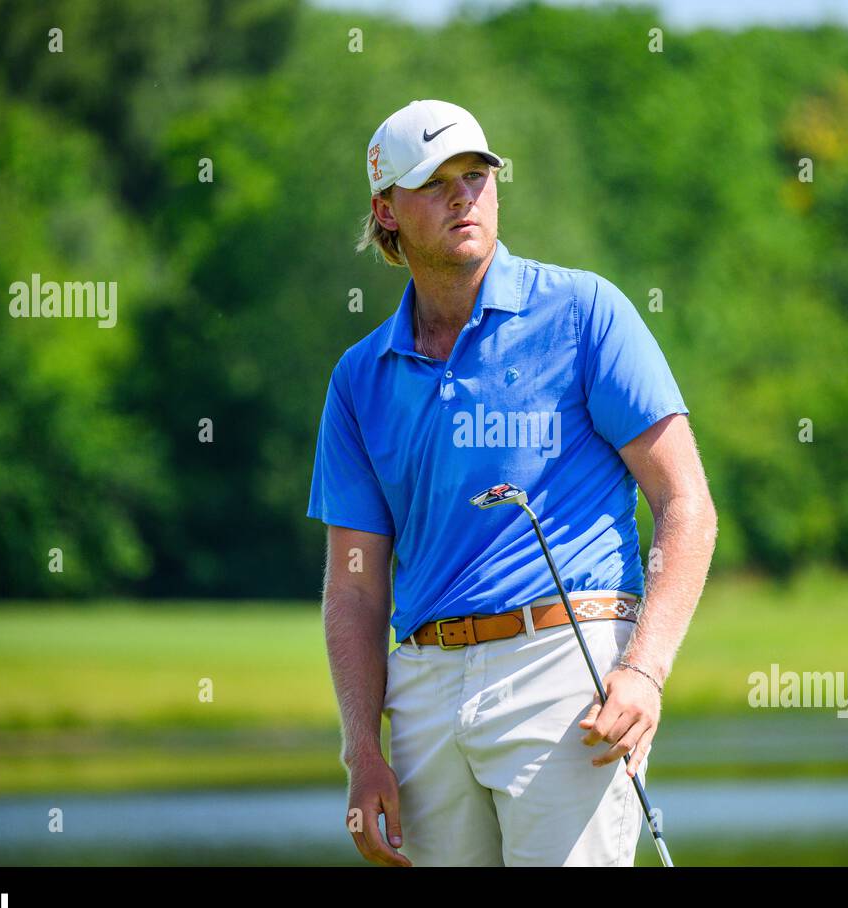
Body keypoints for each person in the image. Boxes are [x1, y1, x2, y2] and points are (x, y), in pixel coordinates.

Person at [307, 99, 717, 866]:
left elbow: (685, 504)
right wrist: (361, 750)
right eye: (434, 182)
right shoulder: (361, 377)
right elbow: (357, 586)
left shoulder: (586, 312)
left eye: (477, 174)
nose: (464, 195)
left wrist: (644, 671)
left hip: (569, 672)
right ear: (385, 211)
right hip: (422, 686)